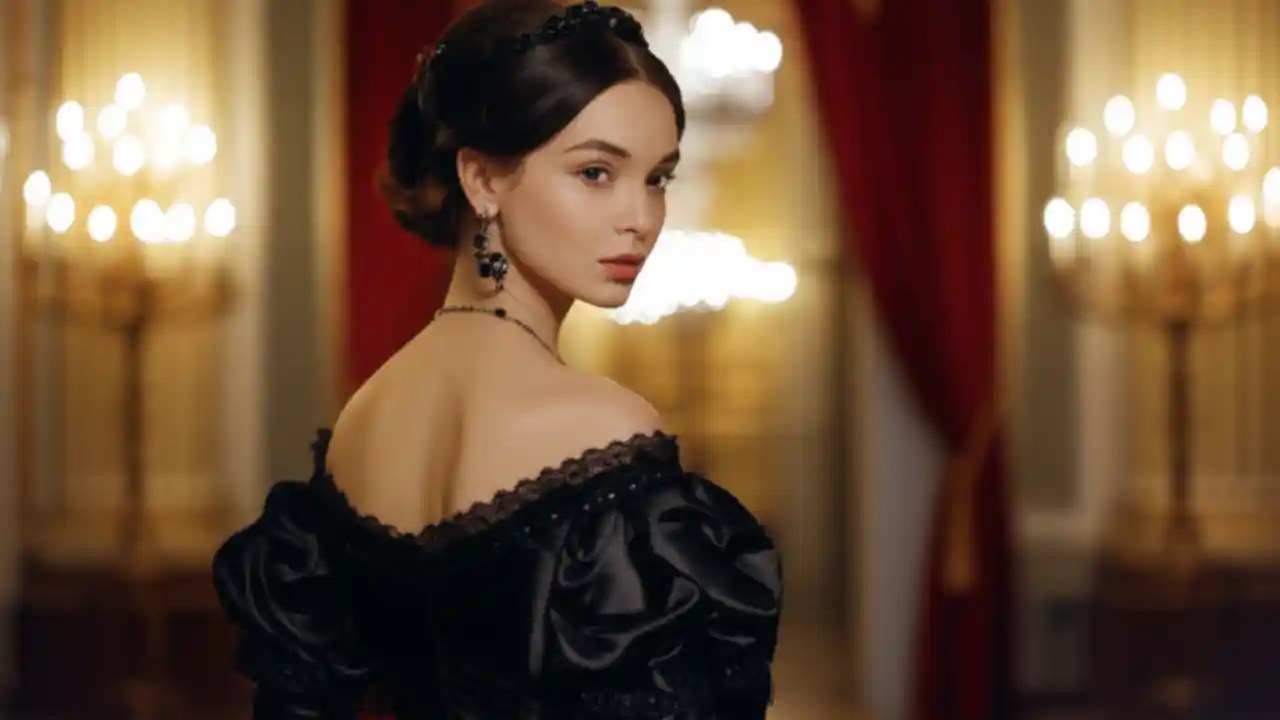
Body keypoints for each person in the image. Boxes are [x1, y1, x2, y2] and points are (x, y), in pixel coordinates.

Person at [210, 1, 783, 717]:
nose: (640, 217)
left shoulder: (365, 414)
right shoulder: (603, 425)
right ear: (481, 180)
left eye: (658, 177)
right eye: (597, 172)